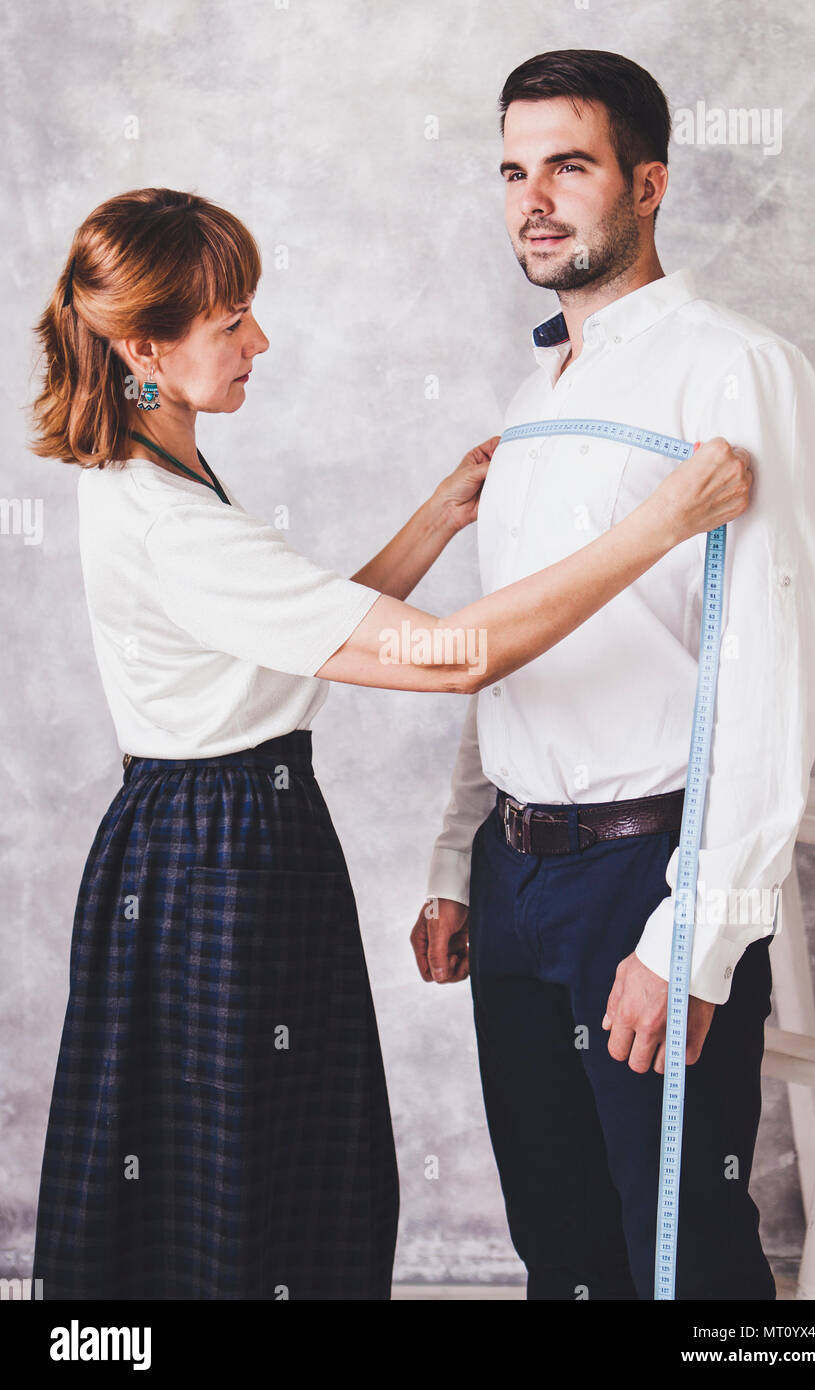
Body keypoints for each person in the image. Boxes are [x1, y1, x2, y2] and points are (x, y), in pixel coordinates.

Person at [28, 185, 750, 1302]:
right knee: (234, 1167)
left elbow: (288, 638)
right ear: (143, 346)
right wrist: (658, 522)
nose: (258, 340)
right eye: (230, 322)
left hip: (224, 834)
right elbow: (447, 655)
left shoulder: (159, 465)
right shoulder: (166, 521)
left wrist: (437, 514)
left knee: (270, 1157)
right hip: (210, 860)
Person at [413, 49, 815, 1301]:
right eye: (511, 170)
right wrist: (454, 857)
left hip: (644, 876)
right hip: (516, 874)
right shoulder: (534, 387)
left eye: (568, 165)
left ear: (646, 184)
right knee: (564, 1256)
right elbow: (503, 641)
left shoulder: (731, 368)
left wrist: (689, 937)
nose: (531, 198)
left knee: (686, 1264)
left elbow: (768, 669)